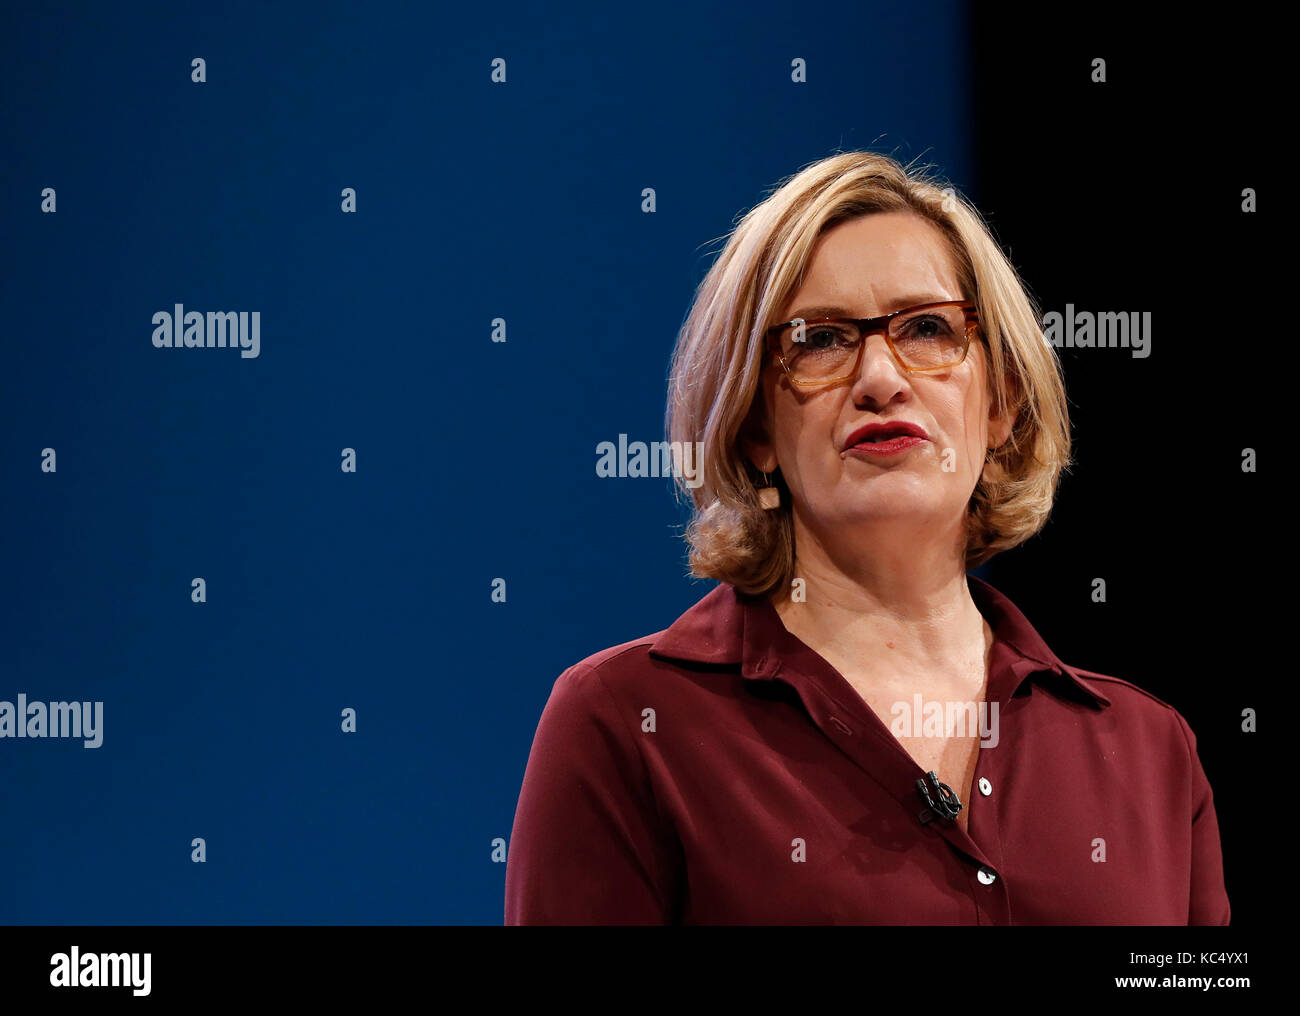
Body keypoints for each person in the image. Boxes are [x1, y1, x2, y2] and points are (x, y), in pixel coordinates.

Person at [503, 151, 1230, 925]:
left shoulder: (1150, 750)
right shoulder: (627, 722)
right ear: (754, 428)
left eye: (927, 328)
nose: (881, 377)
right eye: (820, 340)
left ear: (1001, 402)